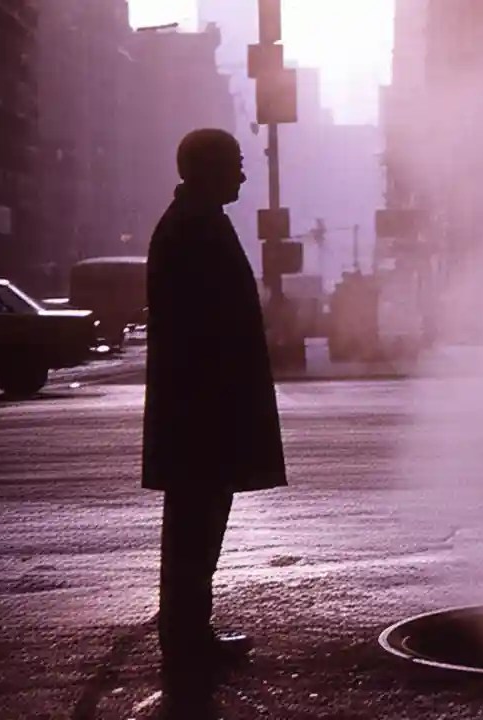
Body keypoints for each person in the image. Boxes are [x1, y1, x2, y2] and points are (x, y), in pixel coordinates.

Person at [142, 128, 287, 705]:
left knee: (198, 527)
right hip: (201, 410)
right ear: (210, 168)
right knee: (194, 529)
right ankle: (185, 640)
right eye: (237, 165)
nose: (245, 176)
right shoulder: (193, 227)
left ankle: (189, 633)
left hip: (201, 409)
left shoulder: (194, 221)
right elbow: (206, 331)